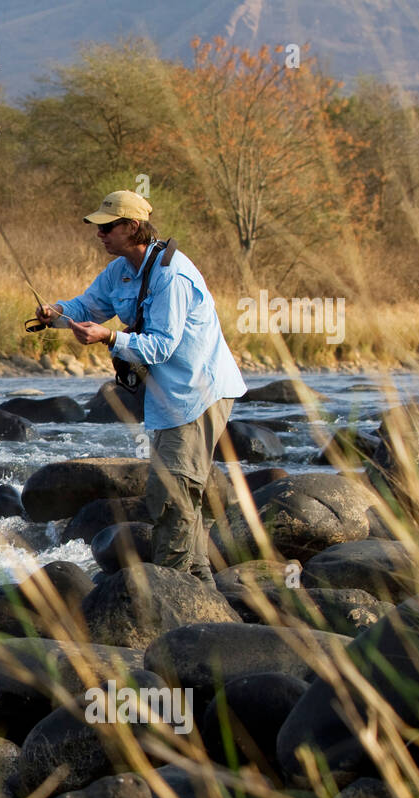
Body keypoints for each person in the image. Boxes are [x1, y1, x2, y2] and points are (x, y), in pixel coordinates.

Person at [35, 189, 247, 583]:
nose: (99, 234)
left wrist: (110, 338)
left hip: (199, 392)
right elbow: (89, 306)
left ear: (133, 227)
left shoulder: (173, 275)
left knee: (172, 493)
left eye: (107, 227)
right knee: (180, 492)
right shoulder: (120, 270)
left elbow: (163, 346)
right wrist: (57, 313)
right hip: (169, 395)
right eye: (98, 227)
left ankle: (173, 584)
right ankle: (198, 582)